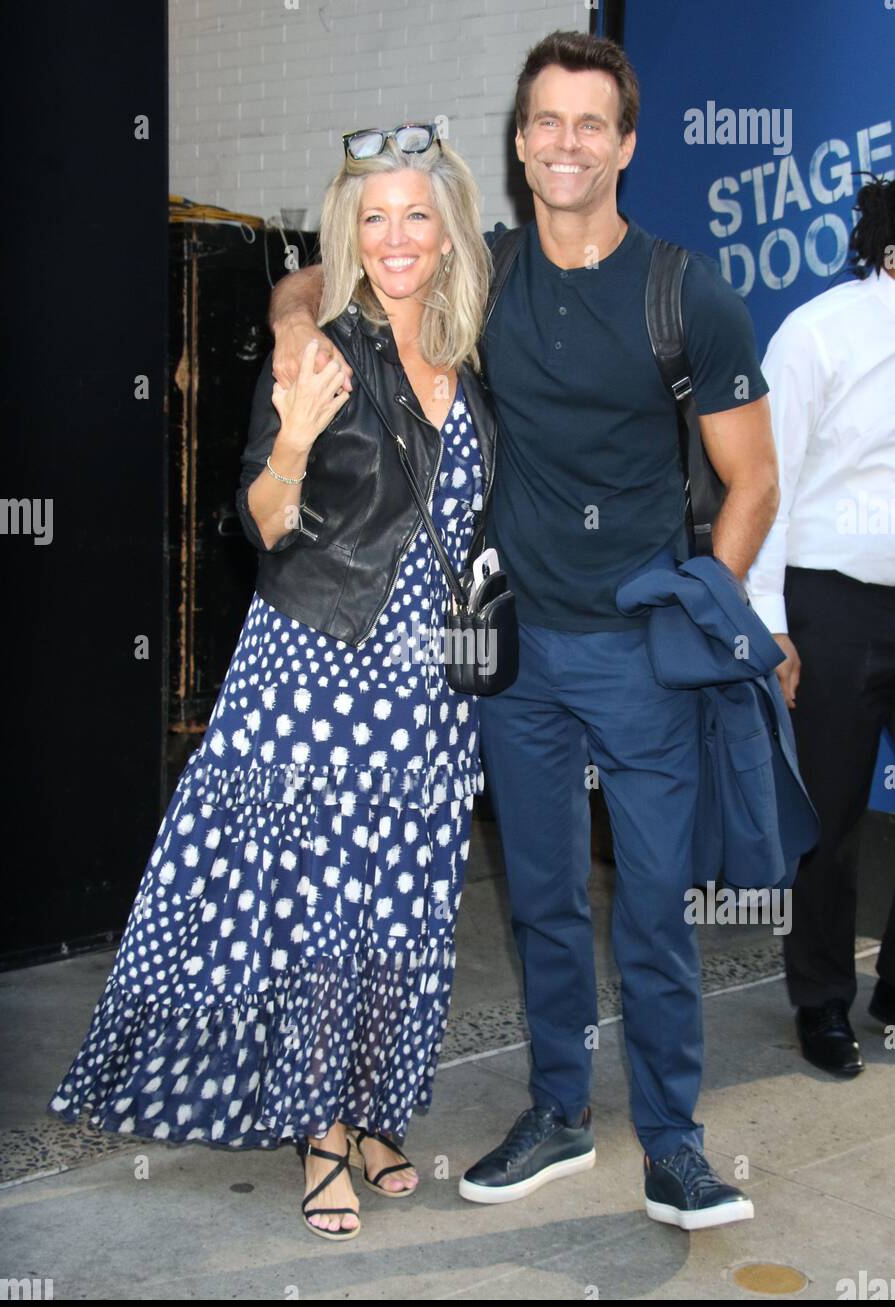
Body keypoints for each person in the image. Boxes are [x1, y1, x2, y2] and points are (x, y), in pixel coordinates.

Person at [268, 33, 780, 1230]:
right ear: (518, 141)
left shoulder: (685, 292)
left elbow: (750, 483)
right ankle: (556, 1113)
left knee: (655, 906)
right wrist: (295, 323)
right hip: (512, 654)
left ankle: (674, 1144)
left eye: (590, 123)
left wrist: (706, 607)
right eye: (545, 121)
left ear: (627, 143)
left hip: (644, 649)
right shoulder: (482, 279)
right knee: (543, 898)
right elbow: (335, 276)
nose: (565, 143)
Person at [48, 123, 497, 1241]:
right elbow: (263, 521)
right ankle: (319, 1130)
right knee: (325, 913)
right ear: (352, 232)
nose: (394, 238)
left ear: (448, 237)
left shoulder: (472, 355)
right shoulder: (321, 352)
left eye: (415, 217)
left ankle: (378, 1105)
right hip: (316, 678)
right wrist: (294, 432)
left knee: (408, 909)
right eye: (372, 218)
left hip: (431, 698)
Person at [745, 175, 895, 1076]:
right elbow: (768, 480)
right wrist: (770, 622)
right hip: (830, 601)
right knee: (831, 817)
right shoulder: (817, 333)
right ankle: (820, 1001)